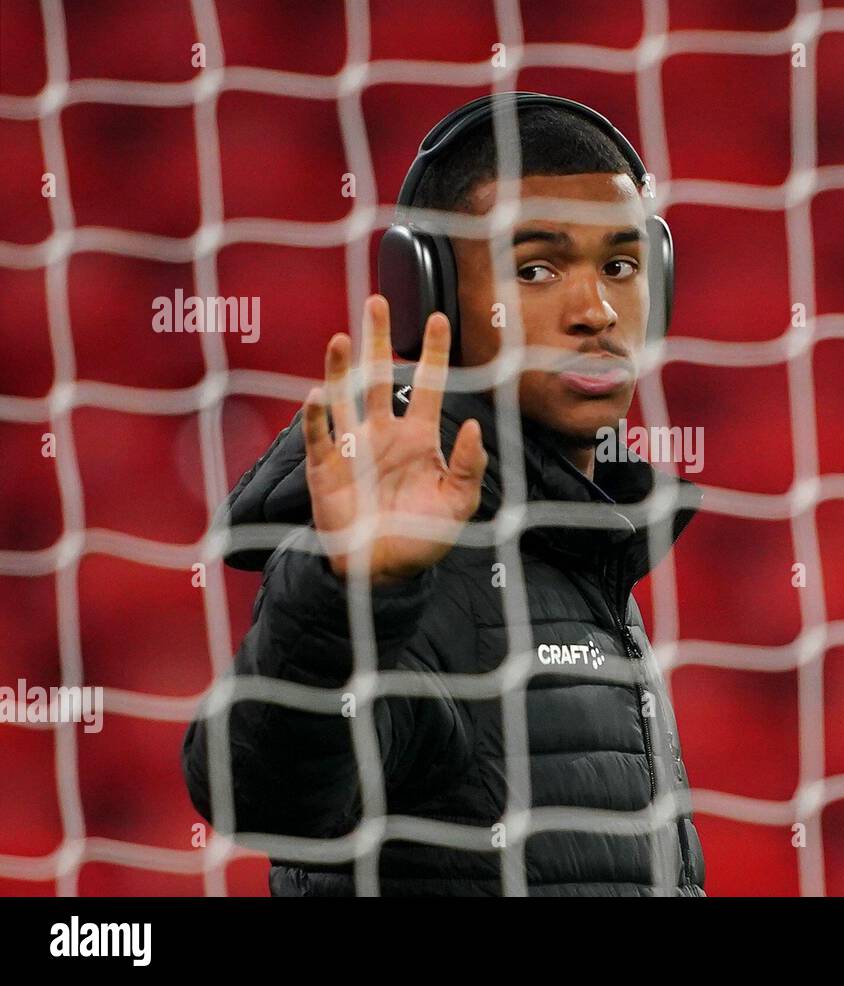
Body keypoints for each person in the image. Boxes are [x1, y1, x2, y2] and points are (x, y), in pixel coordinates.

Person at [180, 94, 706, 896]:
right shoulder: (411, 562)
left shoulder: (576, 549)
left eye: (621, 265)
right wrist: (348, 589)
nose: (596, 311)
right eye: (536, 267)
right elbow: (268, 796)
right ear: (433, 295)